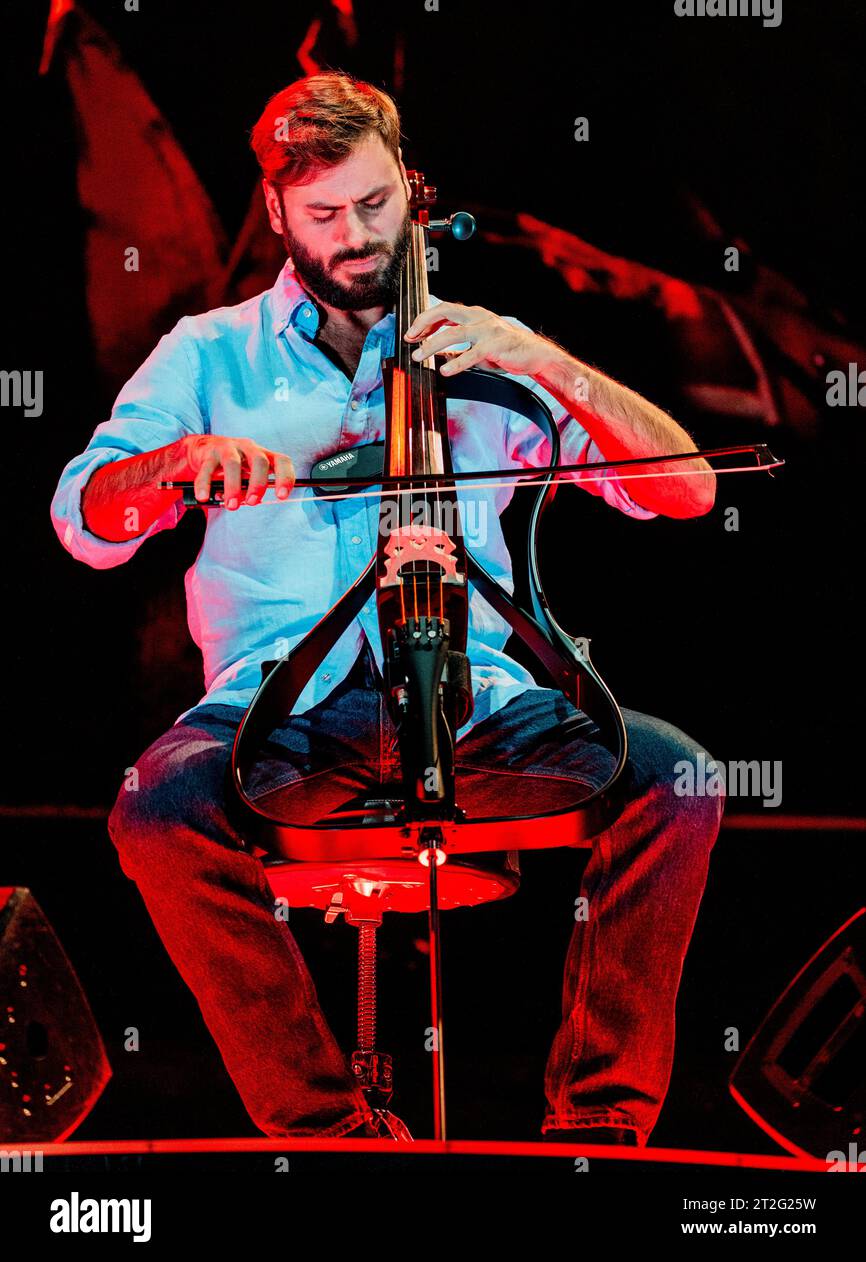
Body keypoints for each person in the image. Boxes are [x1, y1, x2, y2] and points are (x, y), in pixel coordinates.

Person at [50, 70, 725, 1145]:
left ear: (409, 191)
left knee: (676, 778)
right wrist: (174, 462)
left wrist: (543, 361)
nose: (356, 237)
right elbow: (84, 518)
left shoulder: (487, 350)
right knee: (154, 810)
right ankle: (323, 1129)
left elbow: (686, 490)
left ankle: (597, 1127)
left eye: (374, 205)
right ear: (275, 211)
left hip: (479, 714)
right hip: (276, 720)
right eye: (322, 215)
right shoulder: (208, 354)